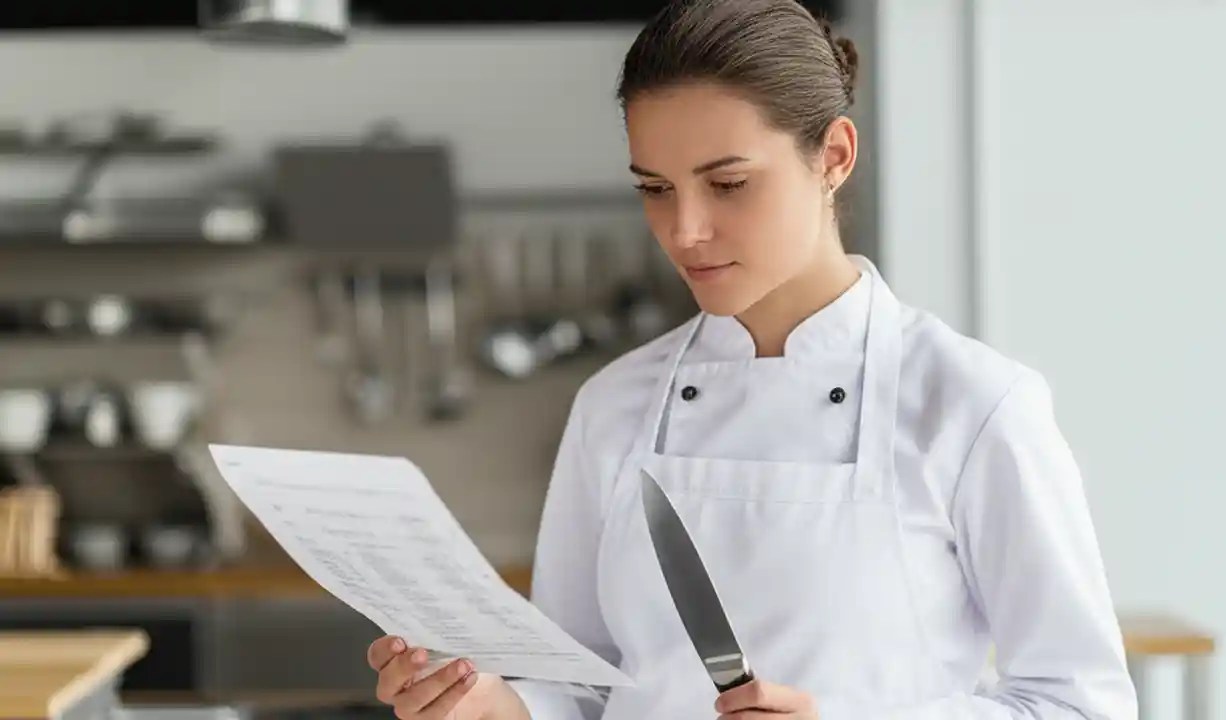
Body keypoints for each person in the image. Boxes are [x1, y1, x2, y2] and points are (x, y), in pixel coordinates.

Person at [365, 0, 1138, 717]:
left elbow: (1082, 703)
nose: (684, 230)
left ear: (832, 155)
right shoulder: (614, 403)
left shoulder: (972, 405)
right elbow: (582, 686)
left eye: (728, 183)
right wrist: (493, 704)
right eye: (655, 188)